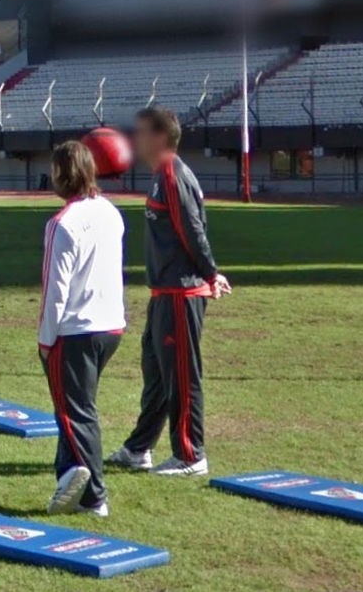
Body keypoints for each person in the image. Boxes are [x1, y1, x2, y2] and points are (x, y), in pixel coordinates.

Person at [108, 106, 230, 478]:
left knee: (181, 376)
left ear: (160, 137)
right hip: (163, 292)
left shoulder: (173, 174)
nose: (135, 139)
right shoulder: (161, 175)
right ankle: (138, 448)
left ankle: (191, 455)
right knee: (157, 375)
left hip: (181, 294)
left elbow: (192, 230)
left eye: (142, 132)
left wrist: (211, 273)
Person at [38, 140, 127, 516]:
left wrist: (46, 339)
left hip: (75, 329)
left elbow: (55, 289)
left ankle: (94, 497)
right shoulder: (110, 212)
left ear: (62, 174)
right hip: (111, 326)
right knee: (75, 408)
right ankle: (67, 476)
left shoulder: (61, 224)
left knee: (76, 413)